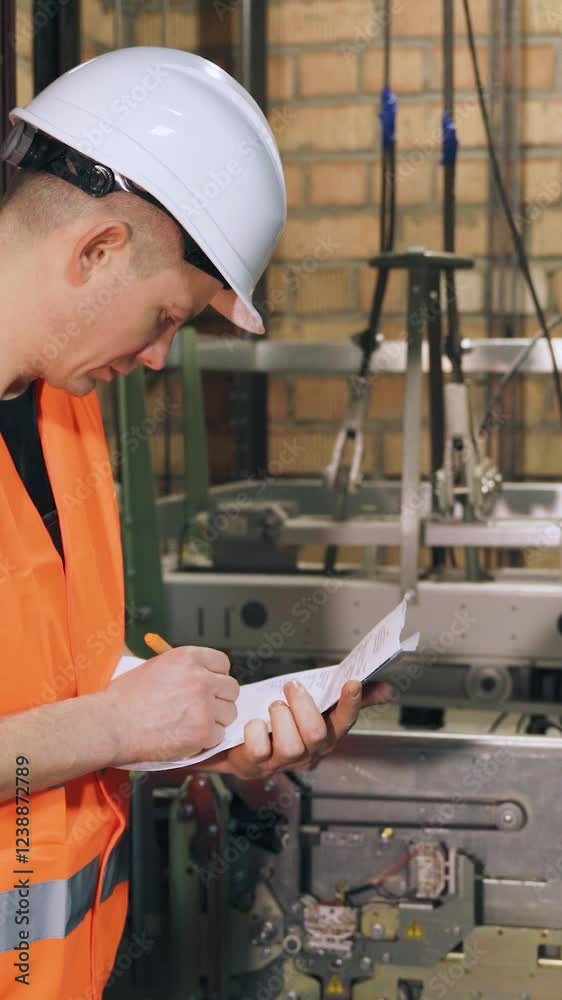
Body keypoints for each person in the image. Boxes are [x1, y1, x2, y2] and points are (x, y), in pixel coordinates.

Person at [0, 47, 391, 999]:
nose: (157, 357)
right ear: (97, 250)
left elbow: (50, 678)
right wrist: (112, 723)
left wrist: (203, 731)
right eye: (165, 315)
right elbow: (83, 720)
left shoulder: (61, 413)